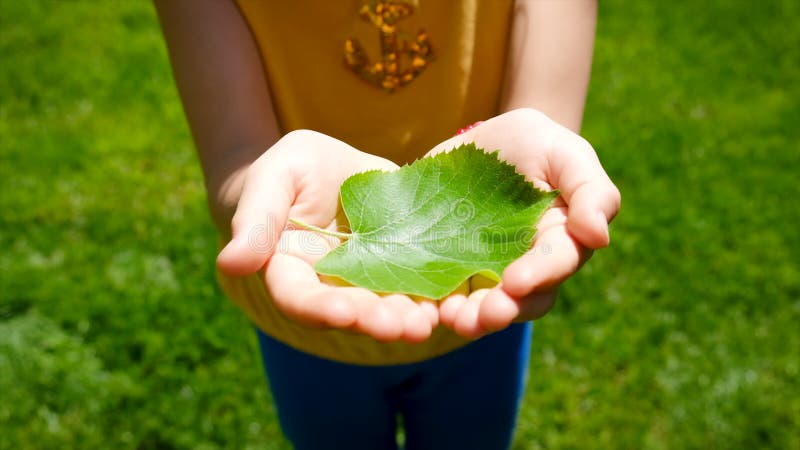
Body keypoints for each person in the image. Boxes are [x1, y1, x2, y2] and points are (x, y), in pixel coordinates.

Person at [156, 1, 619, 448]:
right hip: (304, 309)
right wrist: (257, 202)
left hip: (483, 300)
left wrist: (537, 137)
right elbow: (233, 157)